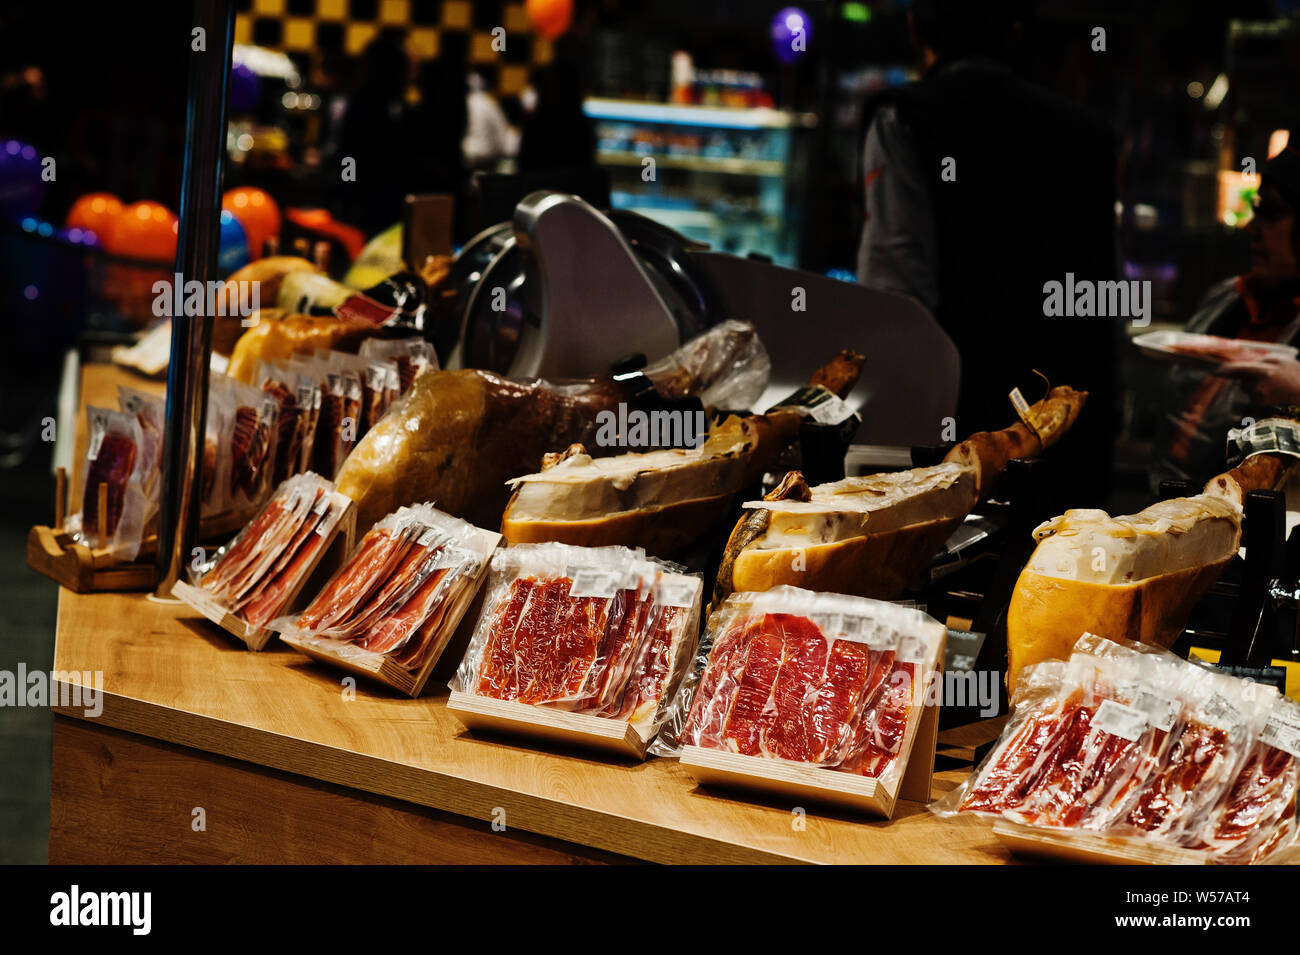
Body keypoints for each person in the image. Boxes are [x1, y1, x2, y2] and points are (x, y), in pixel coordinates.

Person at [857, 0, 1118, 506]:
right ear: (1014, 31)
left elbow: (895, 291)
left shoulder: (904, 116)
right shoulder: (1089, 133)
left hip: (954, 428)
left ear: (915, 28)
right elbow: (1105, 293)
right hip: (1072, 429)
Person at [1154, 146, 1300, 485]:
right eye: (1255, 211)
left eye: (1272, 213)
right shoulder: (1226, 296)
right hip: (1168, 500)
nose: (1252, 228)